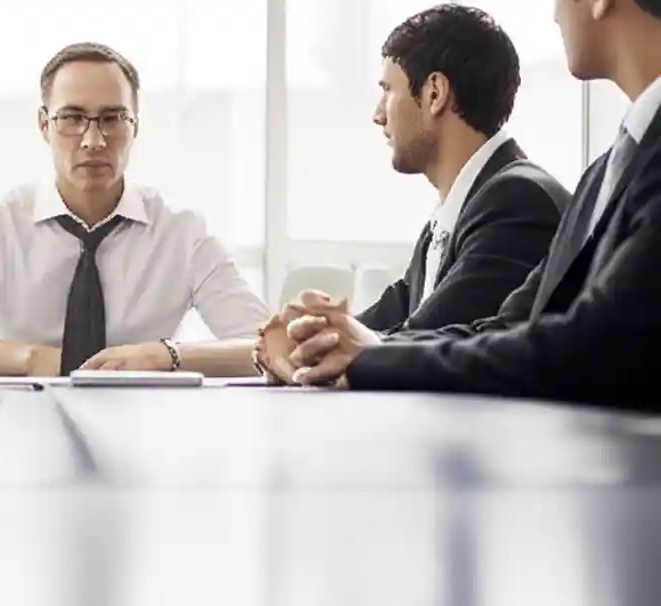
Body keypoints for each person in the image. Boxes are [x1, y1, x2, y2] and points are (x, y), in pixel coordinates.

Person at [259, 0, 661, 412]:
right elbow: (509, 326)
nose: (555, 13)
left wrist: (366, 355)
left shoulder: (519, 198)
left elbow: (597, 345)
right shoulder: (605, 170)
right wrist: (330, 343)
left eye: (387, 91)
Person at [0, 42, 270, 377]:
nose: (93, 140)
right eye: (72, 118)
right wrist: (35, 359)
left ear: (134, 127)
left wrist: (166, 356)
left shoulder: (182, 232)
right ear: (44, 125)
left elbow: (266, 347)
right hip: (20, 423)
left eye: (112, 119)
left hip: (143, 426)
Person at [359, 4, 570, 334]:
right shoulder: (454, 213)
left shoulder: (516, 202)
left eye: (388, 90)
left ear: (435, 93)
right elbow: (379, 325)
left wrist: (324, 349)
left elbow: (428, 340)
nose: (378, 114)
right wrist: (303, 338)